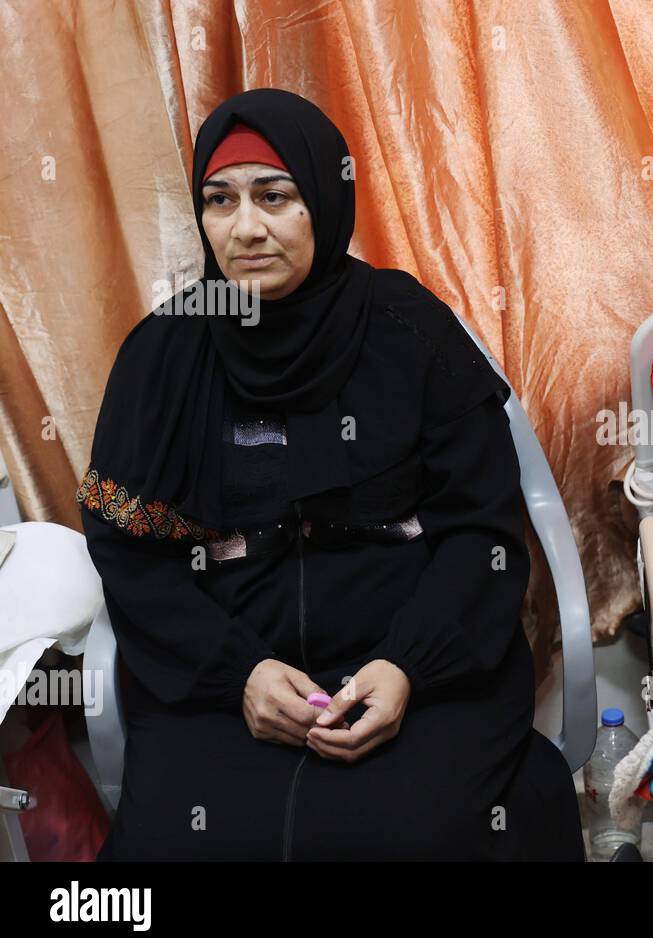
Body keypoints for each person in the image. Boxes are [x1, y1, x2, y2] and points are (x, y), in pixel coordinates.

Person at [77, 88, 583, 860]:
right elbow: (133, 555)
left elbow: (480, 533)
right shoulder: (162, 356)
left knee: (419, 833)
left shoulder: (411, 332)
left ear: (323, 196)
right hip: (221, 690)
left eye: (275, 196)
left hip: (414, 678)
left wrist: (406, 666)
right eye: (220, 200)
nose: (246, 228)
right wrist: (237, 672)